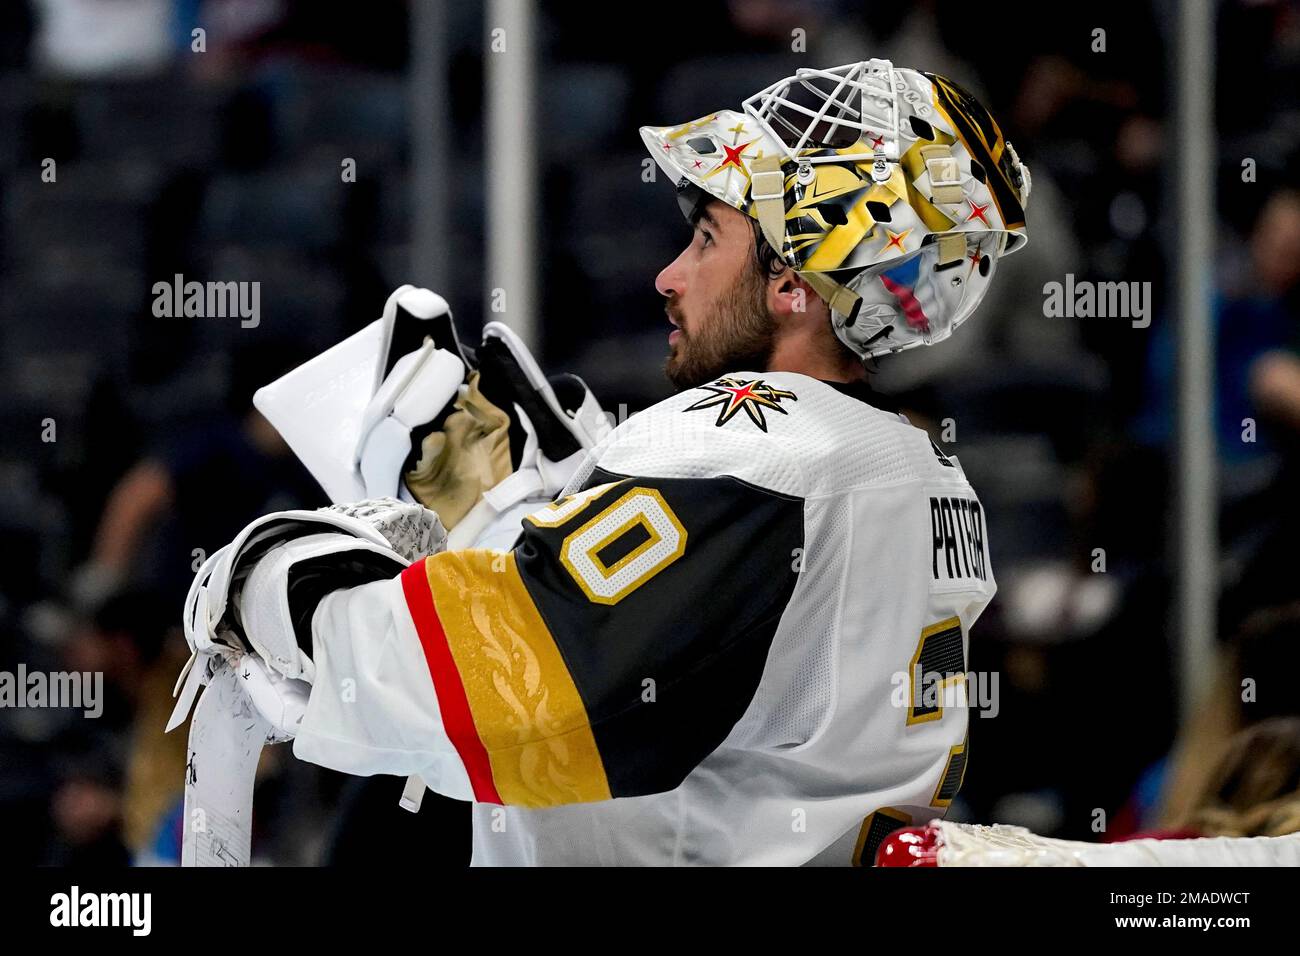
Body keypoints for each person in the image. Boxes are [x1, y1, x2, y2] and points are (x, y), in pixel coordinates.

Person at [179, 59, 1031, 865]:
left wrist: (292, 592)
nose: (668, 275)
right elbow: (703, 672)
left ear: (793, 280)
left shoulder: (755, 449)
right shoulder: (921, 470)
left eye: (707, 238)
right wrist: (524, 539)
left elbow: (523, 699)